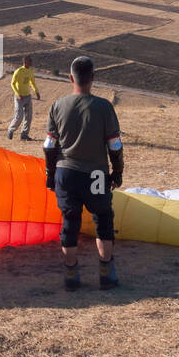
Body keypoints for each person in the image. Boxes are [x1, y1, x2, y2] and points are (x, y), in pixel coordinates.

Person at [43, 56, 123, 291]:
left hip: (65, 173)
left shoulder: (57, 105)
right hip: (96, 175)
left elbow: (49, 146)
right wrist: (117, 172)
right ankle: (106, 273)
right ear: (93, 78)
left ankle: (71, 276)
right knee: (103, 220)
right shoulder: (104, 107)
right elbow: (115, 146)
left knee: (70, 222)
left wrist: (50, 174)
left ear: (71, 78)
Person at [7, 55, 41, 141]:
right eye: (30, 61)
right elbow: (12, 83)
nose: (31, 63)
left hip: (28, 96)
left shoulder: (30, 71)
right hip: (19, 97)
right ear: (25, 62)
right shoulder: (18, 71)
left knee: (28, 117)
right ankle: (11, 129)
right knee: (19, 116)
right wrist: (17, 94)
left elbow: (32, 82)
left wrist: (36, 92)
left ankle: (24, 135)